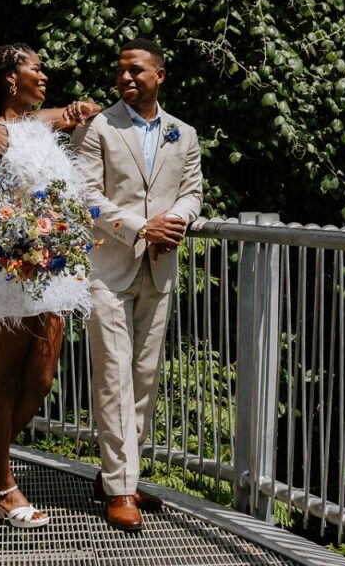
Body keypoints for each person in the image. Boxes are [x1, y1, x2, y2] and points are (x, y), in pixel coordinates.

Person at [0, 43, 101, 528]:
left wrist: (86, 109)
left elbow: (70, 114)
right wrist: (6, 249)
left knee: (41, 379)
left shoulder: (36, 127)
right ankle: (1, 484)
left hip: (49, 271)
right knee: (6, 378)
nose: (44, 73)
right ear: (11, 79)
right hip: (3, 271)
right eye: (35, 67)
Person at [73, 38, 203, 532]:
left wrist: (176, 222)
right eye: (120, 72)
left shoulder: (183, 133)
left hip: (161, 266)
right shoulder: (98, 127)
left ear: (160, 75)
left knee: (145, 376)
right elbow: (84, 196)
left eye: (136, 71)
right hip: (109, 268)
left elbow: (192, 192)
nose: (126, 78)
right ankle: (121, 486)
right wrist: (138, 226)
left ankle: (121, 474)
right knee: (113, 375)